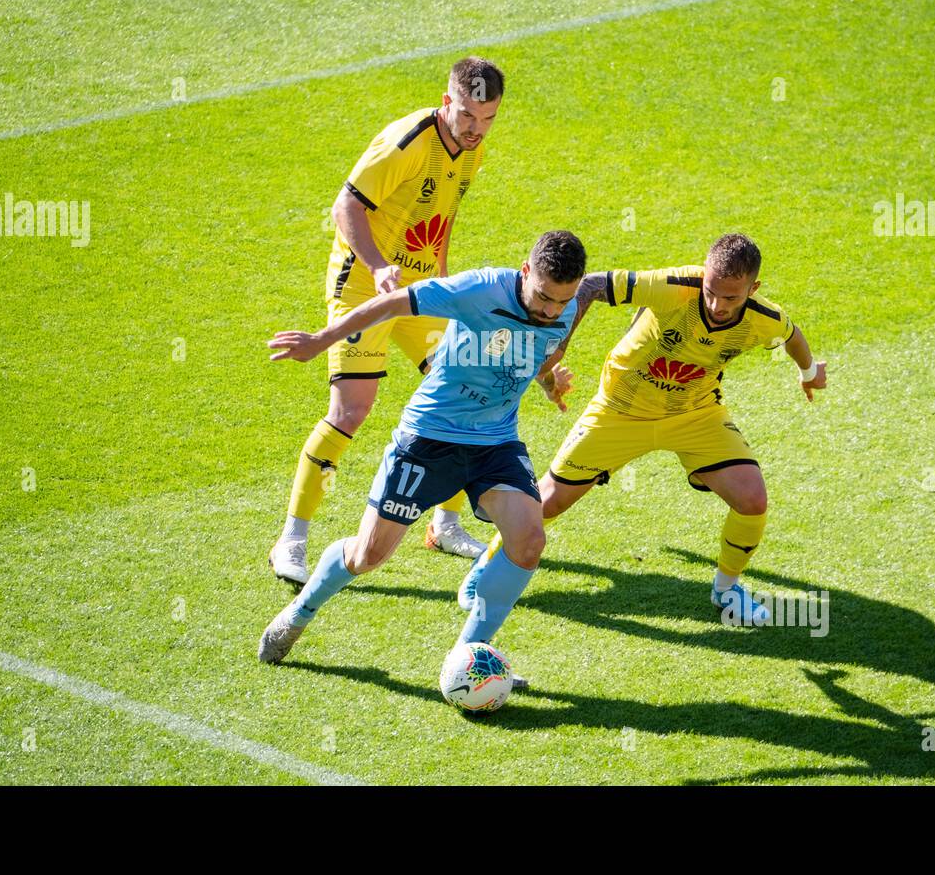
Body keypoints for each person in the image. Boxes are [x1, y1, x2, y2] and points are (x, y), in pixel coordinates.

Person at [258, 231, 586, 671]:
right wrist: (321, 340)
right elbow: (392, 304)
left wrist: (548, 382)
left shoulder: (563, 311)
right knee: (368, 555)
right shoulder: (478, 290)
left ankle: (468, 658)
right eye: (544, 297)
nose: (551, 311)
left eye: (562, 301)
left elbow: (535, 352)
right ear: (526, 272)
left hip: (495, 442)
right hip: (429, 437)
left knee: (529, 542)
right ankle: (298, 614)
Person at [460, 233, 827, 625]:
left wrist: (808, 372)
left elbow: (791, 335)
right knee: (547, 503)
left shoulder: (764, 317)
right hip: (620, 411)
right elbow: (592, 285)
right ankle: (487, 565)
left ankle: (727, 590)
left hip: (695, 415)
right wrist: (560, 345)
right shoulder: (673, 287)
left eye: (731, 298)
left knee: (752, 500)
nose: (717, 305)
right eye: (710, 291)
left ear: (753, 289)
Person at [270, 57, 506, 585]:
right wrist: (378, 267)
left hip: (419, 288)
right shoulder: (407, 142)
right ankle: (292, 538)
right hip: (364, 281)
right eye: (468, 115)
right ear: (447, 102)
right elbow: (345, 207)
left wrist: (446, 285)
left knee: (465, 390)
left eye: (488, 118)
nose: (476, 128)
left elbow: (443, 217)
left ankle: (445, 525)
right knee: (352, 410)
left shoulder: (472, 149)